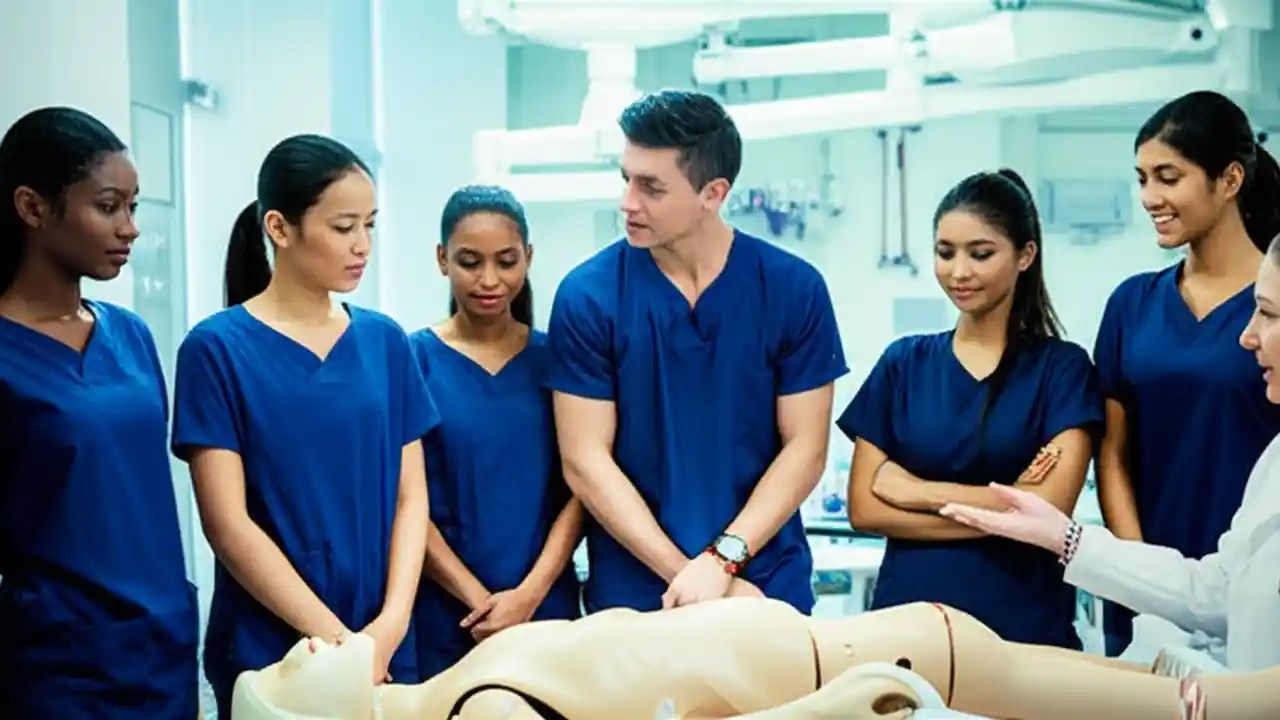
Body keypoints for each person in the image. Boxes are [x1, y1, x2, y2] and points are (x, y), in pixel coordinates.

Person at [546, 89, 847, 614]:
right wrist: (694, 577)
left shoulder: (792, 290)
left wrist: (725, 560)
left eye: (651, 187)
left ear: (712, 193)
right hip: (640, 597)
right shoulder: (589, 297)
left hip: (765, 586)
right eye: (626, 179)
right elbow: (584, 460)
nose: (627, 202)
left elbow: (806, 448)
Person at [171, 134, 437, 717]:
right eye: (344, 227)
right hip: (276, 650)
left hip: (386, 640)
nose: (362, 245)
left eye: (370, 225)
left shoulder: (385, 341)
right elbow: (229, 524)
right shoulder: (216, 350)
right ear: (280, 227)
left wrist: (388, 626)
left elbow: (411, 496)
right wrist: (342, 644)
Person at [939, 232, 1280, 671]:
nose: (1246, 337)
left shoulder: (1058, 369)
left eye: (1268, 314)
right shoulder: (1274, 459)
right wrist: (1066, 538)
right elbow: (1215, 595)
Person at [226, 596, 1280, 720]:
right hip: (895, 669)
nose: (301, 645)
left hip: (902, 651)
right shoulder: (480, 718)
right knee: (1205, 714)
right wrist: (837, 710)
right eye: (283, 674)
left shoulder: (450, 693)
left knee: (1196, 701)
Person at [836, 168, 1102, 648]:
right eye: (945, 252)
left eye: (980, 254)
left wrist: (915, 490)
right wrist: (1002, 518)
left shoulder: (1062, 370)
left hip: (1021, 627)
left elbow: (1046, 507)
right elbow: (865, 509)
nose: (959, 272)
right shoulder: (904, 363)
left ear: (1025, 256)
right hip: (908, 626)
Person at [0, 106, 199, 718]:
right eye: (109, 206)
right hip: (60, 669)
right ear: (33, 208)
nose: (130, 228)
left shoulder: (132, 336)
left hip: (163, 650)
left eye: (133, 207)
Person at [1088, 90, 1280, 655]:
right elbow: (1113, 455)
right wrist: (1137, 571)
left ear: (1229, 180)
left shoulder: (1269, 313)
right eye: (1142, 178)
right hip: (1142, 587)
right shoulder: (1132, 305)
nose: (1150, 197)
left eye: (1168, 177)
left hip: (1254, 585)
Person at [410, 185, 582, 680]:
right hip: (448, 617)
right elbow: (404, 500)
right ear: (443, 259)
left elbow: (583, 488)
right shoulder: (410, 361)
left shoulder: (560, 362)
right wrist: (480, 602)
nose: (489, 279)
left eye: (506, 261)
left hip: (546, 611)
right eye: (469, 261)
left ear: (528, 258)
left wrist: (530, 596)